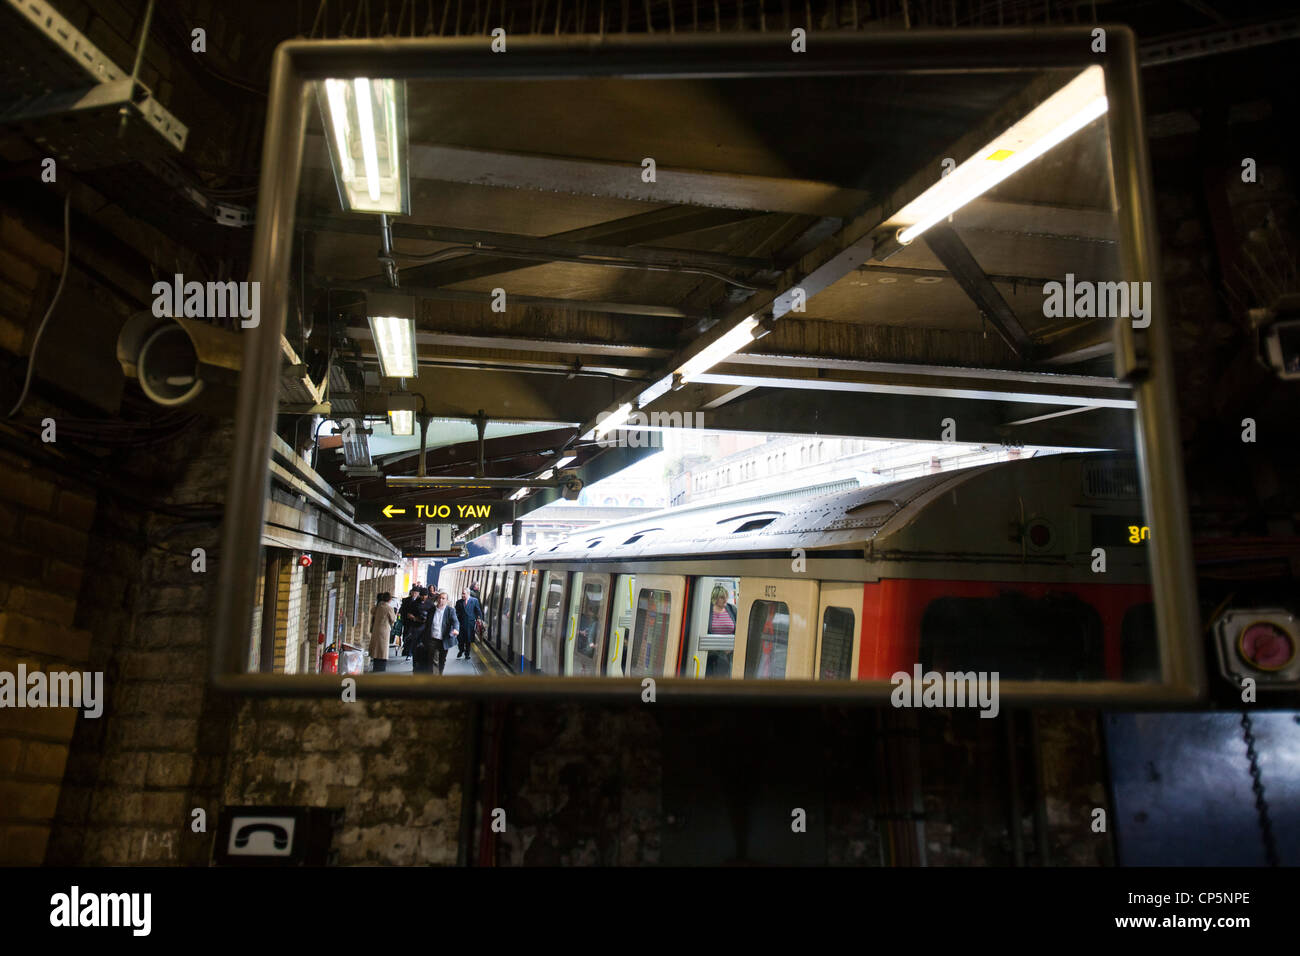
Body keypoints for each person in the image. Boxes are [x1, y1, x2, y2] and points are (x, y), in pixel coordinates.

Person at [368, 592, 396, 671]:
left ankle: (376, 665)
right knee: (382, 649)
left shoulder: (378, 606)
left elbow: (372, 611)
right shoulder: (389, 608)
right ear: (389, 600)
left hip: (376, 629)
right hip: (384, 630)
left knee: (376, 648)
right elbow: (393, 619)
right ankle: (381, 667)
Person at [454, 587, 482, 660]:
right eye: (462, 594)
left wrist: (479, 619)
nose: (462, 595)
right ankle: (461, 650)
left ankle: (467, 654)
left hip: (470, 623)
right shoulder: (459, 602)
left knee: (468, 639)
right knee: (460, 639)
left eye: (464, 594)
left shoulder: (474, 601)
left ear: (468, 594)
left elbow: (478, 610)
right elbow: (456, 612)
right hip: (461, 623)